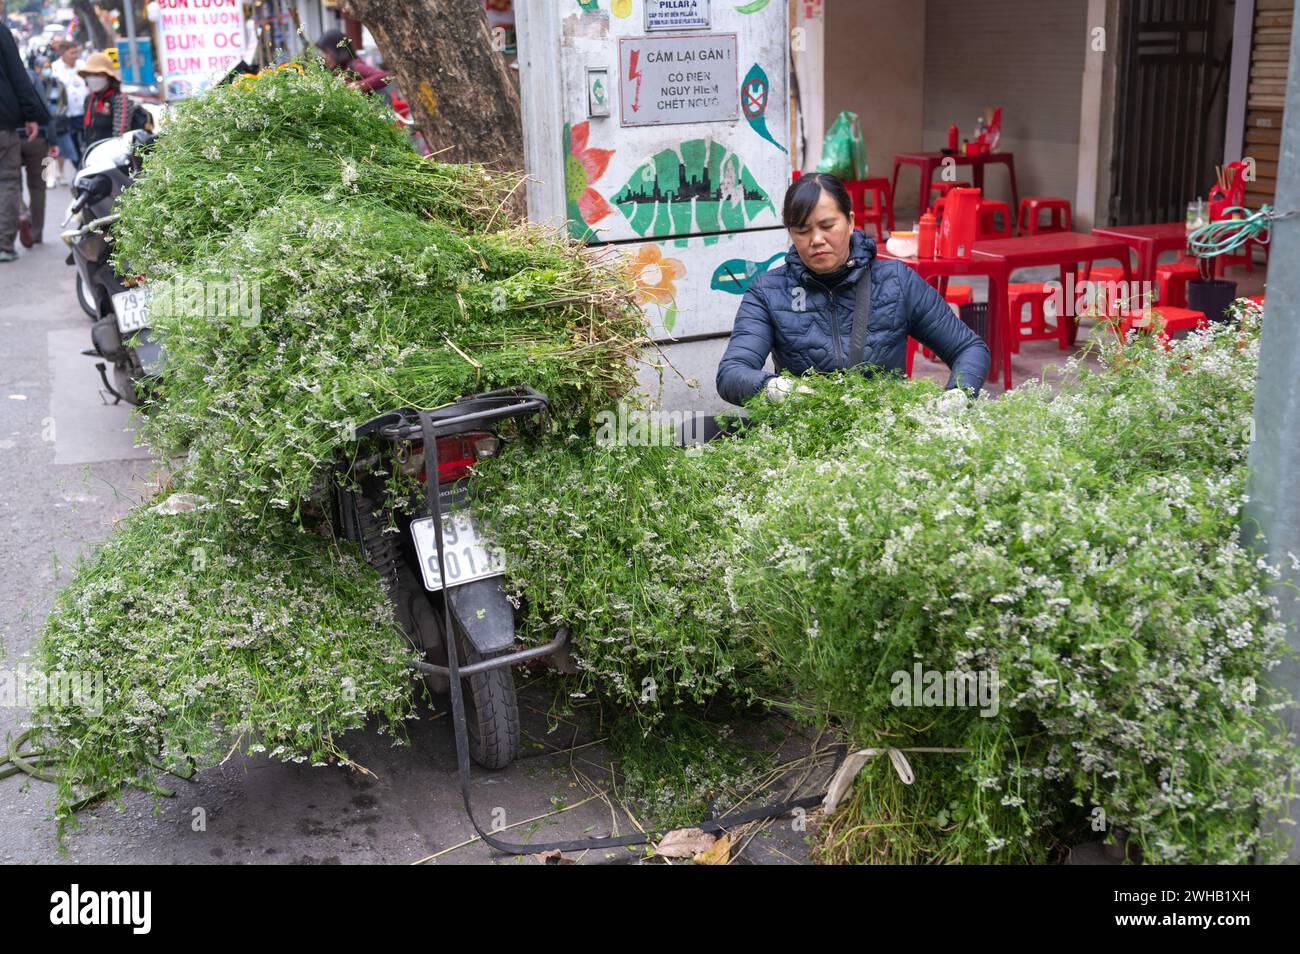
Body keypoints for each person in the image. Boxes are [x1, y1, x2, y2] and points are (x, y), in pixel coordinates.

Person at [716, 172, 990, 406]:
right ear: (790, 233)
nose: (816, 240)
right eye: (802, 230)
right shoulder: (768, 292)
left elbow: (968, 348)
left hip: (884, 431)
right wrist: (778, 389)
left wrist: (958, 396)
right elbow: (731, 373)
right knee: (694, 431)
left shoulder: (896, 281)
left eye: (827, 226)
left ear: (850, 221)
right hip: (804, 436)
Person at [1, 10, 49, 263]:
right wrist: (34, 119)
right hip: (24, 136)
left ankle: (21, 216)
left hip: (16, 136)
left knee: (15, 183)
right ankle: (13, 239)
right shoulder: (3, 34)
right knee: (18, 182)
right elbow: (24, 84)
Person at [77, 50, 149, 153]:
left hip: (112, 157)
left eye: (98, 75)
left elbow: (120, 135)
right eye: (90, 74)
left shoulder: (120, 99)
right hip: (91, 154)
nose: (93, 78)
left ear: (108, 77)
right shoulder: (89, 99)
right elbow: (87, 130)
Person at [49, 38, 86, 178]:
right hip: (66, 115)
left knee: (86, 143)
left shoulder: (83, 65)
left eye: (76, 52)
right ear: (63, 54)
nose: (75, 55)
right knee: (72, 145)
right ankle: (78, 170)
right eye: (72, 53)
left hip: (84, 113)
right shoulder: (55, 68)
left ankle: (84, 169)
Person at [316, 29, 388, 96]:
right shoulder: (333, 71)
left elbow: (383, 76)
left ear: (338, 51)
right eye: (323, 53)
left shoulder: (354, 65)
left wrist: (358, 86)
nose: (324, 57)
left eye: (327, 52)